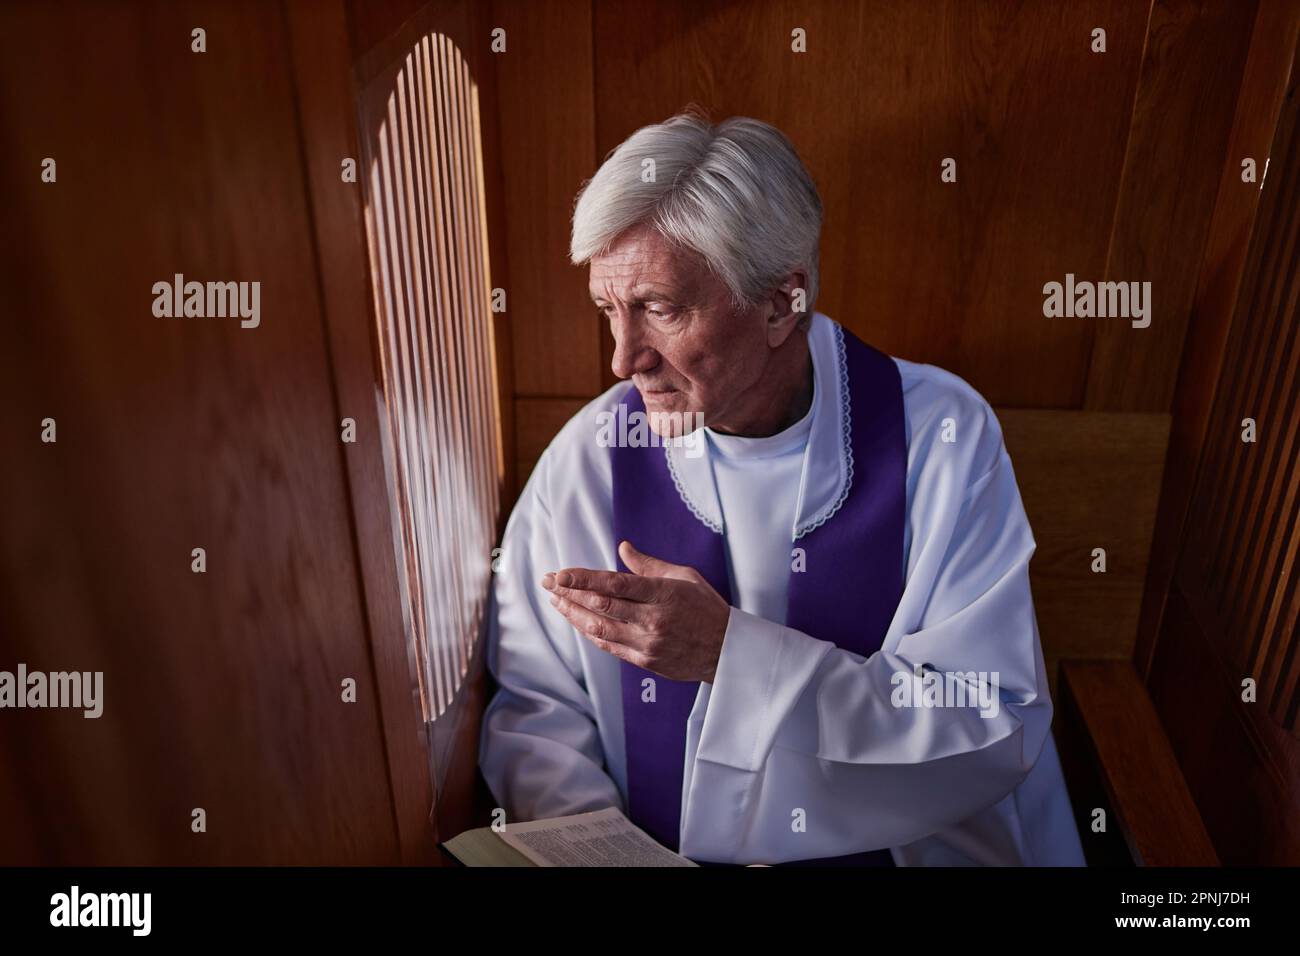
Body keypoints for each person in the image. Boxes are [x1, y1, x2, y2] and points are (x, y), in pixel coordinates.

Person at [478, 111, 1086, 866]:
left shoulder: (940, 440)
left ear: (778, 303)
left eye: (659, 310)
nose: (622, 359)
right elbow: (540, 713)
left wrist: (734, 657)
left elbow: (990, 720)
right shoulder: (590, 462)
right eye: (610, 311)